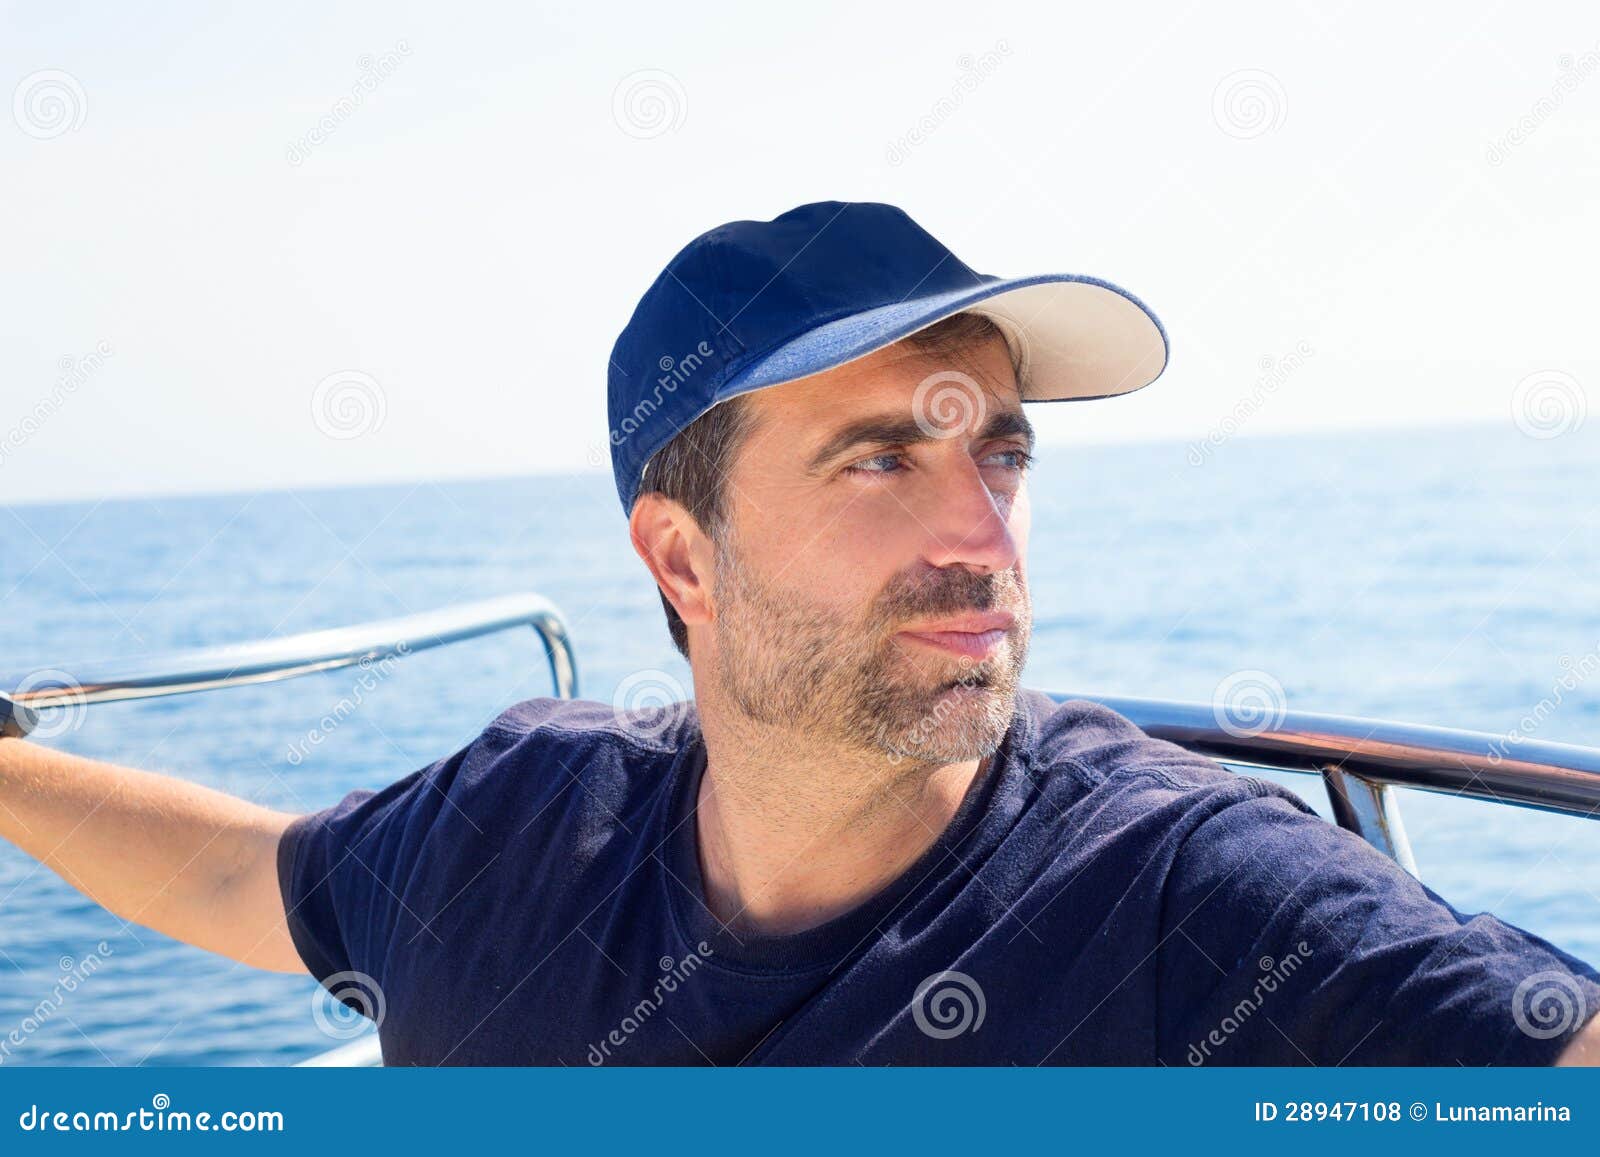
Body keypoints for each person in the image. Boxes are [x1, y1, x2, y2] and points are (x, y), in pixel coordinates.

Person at [3, 201, 1598, 1066]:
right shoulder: (513, 822)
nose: (985, 537)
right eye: (881, 460)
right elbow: (246, 876)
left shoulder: (1188, 903)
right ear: (681, 559)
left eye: (1000, 456)